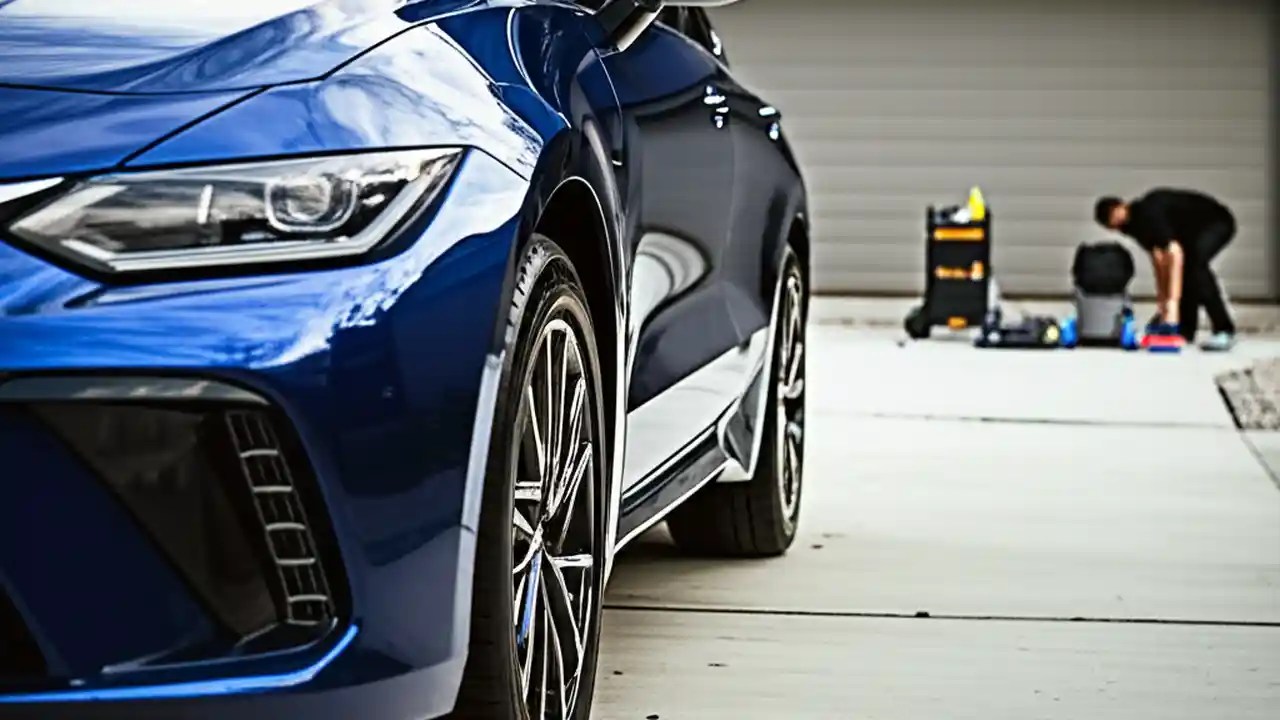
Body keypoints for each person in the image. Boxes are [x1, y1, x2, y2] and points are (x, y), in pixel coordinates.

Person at [1094, 189, 1237, 351]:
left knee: (1195, 267)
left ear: (1122, 206)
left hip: (1216, 221)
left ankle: (1224, 330)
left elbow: (1174, 253)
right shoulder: (1132, 228)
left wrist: (1172, 305)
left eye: (1115, 216)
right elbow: (1159, 261)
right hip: (1191, 235)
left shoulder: (1148, 213)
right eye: (1112, 225)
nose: (1116, 224)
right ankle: (1185, 330)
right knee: (1187, 270)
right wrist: (1162, 303)